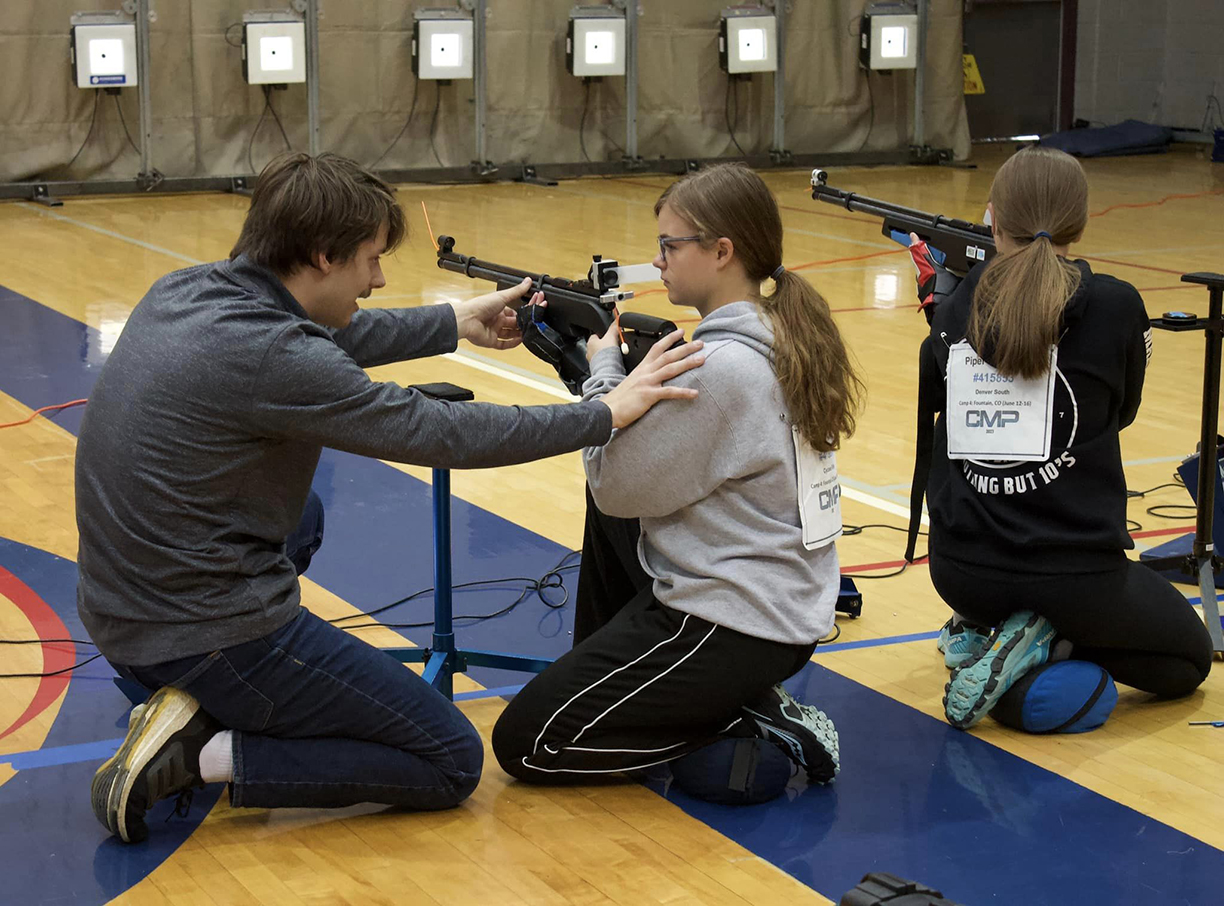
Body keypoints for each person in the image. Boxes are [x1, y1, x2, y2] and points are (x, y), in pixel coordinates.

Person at [80, 152, 705, 843]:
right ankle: (200, 752)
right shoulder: (273, 358)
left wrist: (454, 323)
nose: (378, 280)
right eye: (371, 261)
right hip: (199, 631)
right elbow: (435, 431)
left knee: (303, 516)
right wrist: (605, 412)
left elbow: (323, 332)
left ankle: (188, 694)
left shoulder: (191, 289)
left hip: (120, 608)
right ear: (322, 255)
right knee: (448, 758)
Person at [491, 163, 861, 787]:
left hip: (732, 621)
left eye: (670, 245)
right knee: (614, 513)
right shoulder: (776, 335)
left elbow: (614, 481)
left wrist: (605, 375)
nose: (658, 260)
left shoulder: (719, 370)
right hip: (772, 600)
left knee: (530, 743)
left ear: (722, 251)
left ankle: (750, 718)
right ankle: (636, 685)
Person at [920, 146, 1213, 729]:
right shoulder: (1117, 304)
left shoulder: (955, 305)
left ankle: (993, 634)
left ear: (992, 218)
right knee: (1187, 661)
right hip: (1074, 576)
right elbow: (1120, 414)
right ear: (1080, 222)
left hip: (959, 571)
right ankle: (1041, 635)